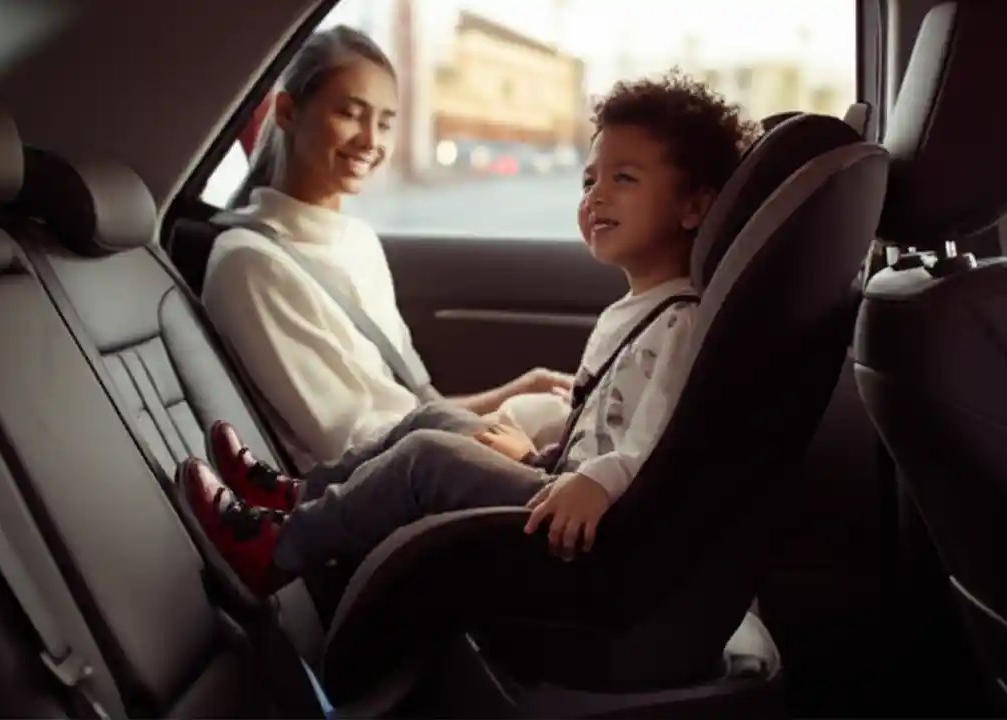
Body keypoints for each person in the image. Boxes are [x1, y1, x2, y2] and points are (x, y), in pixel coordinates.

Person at [184, 69, 757, 597]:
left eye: (624, 178)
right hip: (570, 489)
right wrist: (542, 459)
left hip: (595, 530)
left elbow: (657, 443)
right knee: (433, 420)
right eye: (589, 180)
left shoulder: (680, 321)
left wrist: (593, 481)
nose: (596, 196)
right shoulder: (637, 308)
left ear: (694, 206)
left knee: (427, 457)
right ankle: (296, 497)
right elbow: (601, 427)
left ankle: (274, 552)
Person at [202, 25, 571, 472]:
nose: (370, 140)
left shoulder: (355, 241)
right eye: (351, 114)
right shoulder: (250, 264)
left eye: (385, 122)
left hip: (413, 453)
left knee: (563, 413)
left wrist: (514, 394)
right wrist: (505, 438)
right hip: (371, 492)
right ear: (287, 112)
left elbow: (412, 408)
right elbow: (353, 443)